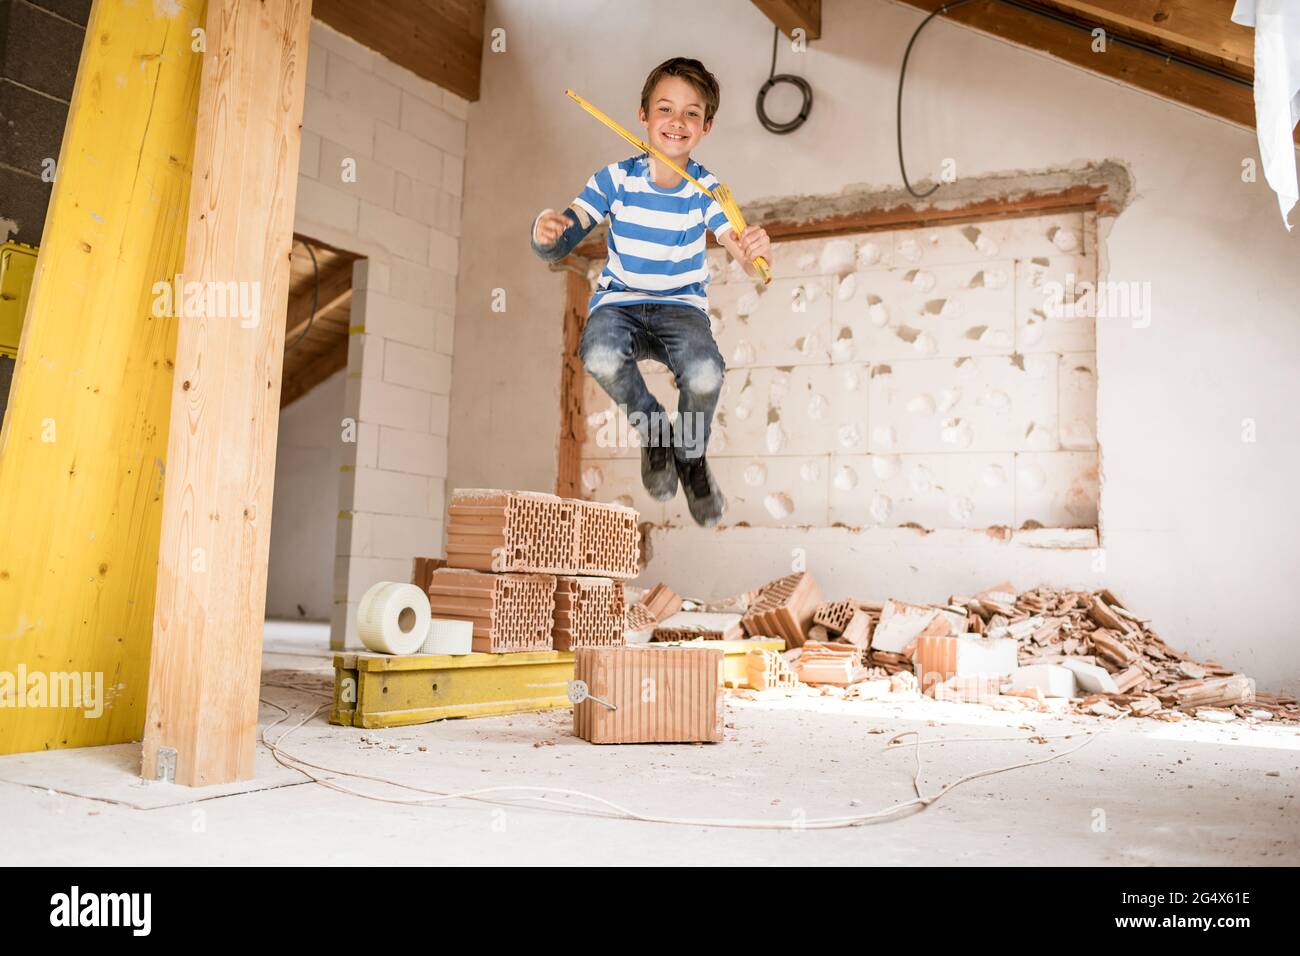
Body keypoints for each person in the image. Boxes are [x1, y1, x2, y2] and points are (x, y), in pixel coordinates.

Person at [530, 57, 772, 527]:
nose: (676, 122)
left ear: (706, 126)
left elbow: (735, 244)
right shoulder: (614, 179)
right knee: (597, 352)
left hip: (680, 310)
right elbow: (567, 232)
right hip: (619, 306)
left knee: (705, 374)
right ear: (643, 116)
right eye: (665, 109)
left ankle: (691, 454)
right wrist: (547, 234)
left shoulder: (707, 188)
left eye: (691, 114)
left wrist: (752, 251)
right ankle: (655, 431)